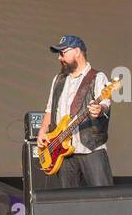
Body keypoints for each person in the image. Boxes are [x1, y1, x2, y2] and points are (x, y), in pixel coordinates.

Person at [36, 35, 114, 188]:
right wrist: (42, 131)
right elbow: (50, 109)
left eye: (63, 53)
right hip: (62, 153)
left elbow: (105, 104)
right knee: (68, 202)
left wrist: (98, 110)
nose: (60, 58)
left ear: (77, 51)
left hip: (90, 148)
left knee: (104, 199)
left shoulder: (97, 77)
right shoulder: (58, 79)